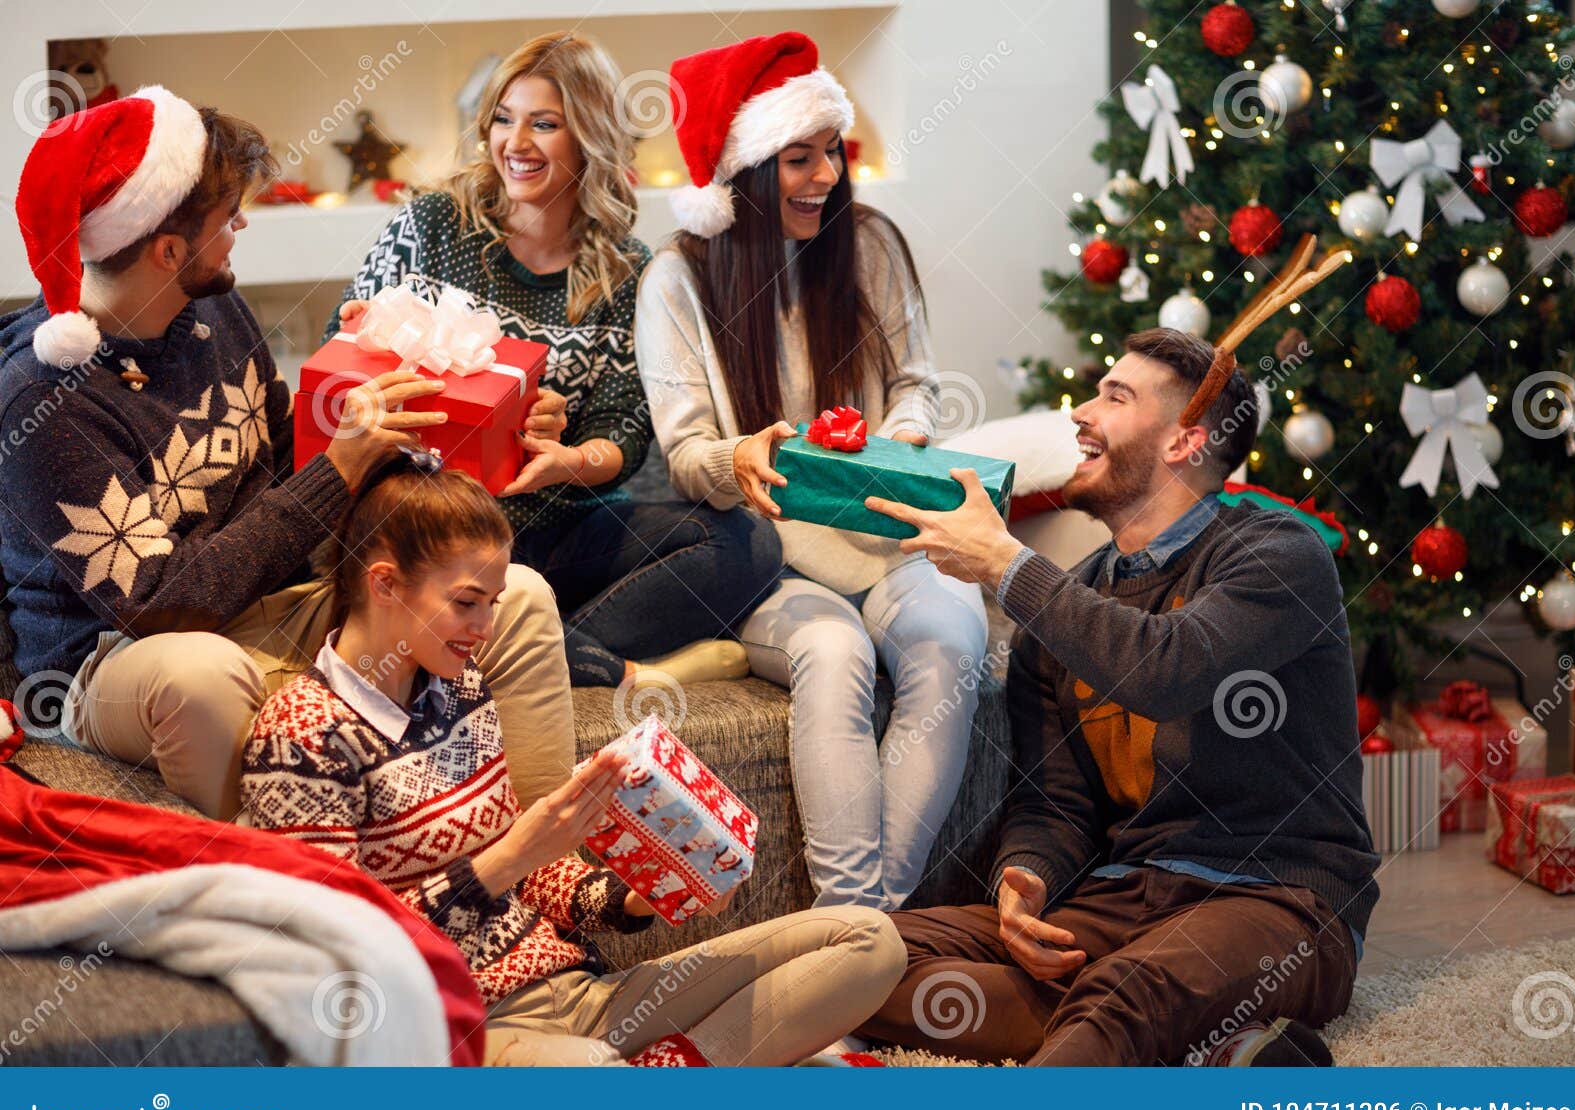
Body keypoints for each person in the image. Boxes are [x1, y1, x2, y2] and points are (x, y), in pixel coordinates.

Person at [0, 87, 575, 821]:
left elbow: (289, 462)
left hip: (270, 604)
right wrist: (340, 465)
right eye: (226, 217)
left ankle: (536, 858)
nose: (240, 225)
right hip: (112, 659)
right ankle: (281, 883)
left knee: (518, 596)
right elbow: (161, 606)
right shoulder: (46, 401)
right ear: (168, 250)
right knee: (203, 674)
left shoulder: (211, 307)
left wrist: (411, 396)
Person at [239, 449, 906, 1067]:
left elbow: (536, 882)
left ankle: (664, 1077)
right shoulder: (305, 732)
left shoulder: (459, 690)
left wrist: (641, 897)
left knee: (868, 942)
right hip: (454, 1028)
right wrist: (508, 859)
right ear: (385, 584)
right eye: (466, 603)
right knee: (592, 1067)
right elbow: (333, 960)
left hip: (580, 994)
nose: (485, 628)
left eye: (493, 604)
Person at [856, 327, 1379, 1065]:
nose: (1080, 412)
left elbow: (1166, 669)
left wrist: (1007, 563)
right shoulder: (1066, 606)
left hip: (1274, 898)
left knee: (1124, 994)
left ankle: (1135, 1025)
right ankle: (1203, 1044)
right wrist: (1026, 877)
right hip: (1123, 896)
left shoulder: (1279, 555)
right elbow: (1056, 800)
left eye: (1115, 396)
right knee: (866, 952)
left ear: (1183, 441)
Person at [637, 32, 989, 912]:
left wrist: (899, 440)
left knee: (952, 644)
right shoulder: (677, 280)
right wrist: (738, 458)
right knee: (835, 654)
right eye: (799, 158)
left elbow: (916, 384)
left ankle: (859, 930)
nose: (826, 175)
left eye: (833, 150)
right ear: (748, 173)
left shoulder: (868, 245)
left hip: (891, 533)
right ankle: (860, 934)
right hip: (765, 558)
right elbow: (685, 454)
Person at [331, 32, 781, 702]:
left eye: (544, 124)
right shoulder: (431, 226)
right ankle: (616, 669)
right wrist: (378, 336)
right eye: (503, 119)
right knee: (446, 576)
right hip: (426, 523)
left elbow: (624, 432)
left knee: (747, 544)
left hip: (554, 527)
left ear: (590, 137)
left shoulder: (627, 269)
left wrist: (566, 456)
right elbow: (342, 361)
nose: (516, 142)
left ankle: (536, 643)